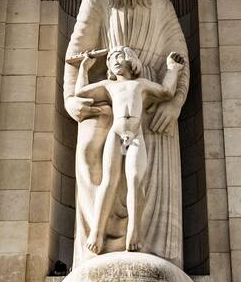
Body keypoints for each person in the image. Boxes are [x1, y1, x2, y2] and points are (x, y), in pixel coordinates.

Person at [63, 0, 190, 266]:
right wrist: (68, 98)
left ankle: (147, 249)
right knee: (98, 167)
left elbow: (179, 57)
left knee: (138, 180)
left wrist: (174, 104)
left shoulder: (162, 7)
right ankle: (96, 244)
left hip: (149, 110)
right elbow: (77, 53)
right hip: (106, 102)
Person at [70, 47, 185, 254]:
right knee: (109, 180)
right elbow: (80, 92)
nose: (114, 61)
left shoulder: (140, 84)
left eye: (119, 57)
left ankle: (134, 229)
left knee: (134, 179)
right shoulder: (108, 85)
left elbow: (166, 92)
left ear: (131, 61)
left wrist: (173, 69)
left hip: (135, 135)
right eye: (111, 58)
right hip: (116, 134)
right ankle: (97, 231)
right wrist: (84, 68)